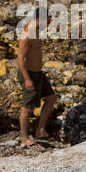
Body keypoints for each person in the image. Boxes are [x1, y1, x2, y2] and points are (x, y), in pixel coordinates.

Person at [17, 14, 58, 147]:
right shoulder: (27, 35)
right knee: (27, 107)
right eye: (48, 21)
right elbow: (20, 59)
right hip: (29, 74)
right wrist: (27, 79)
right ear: (39, 19)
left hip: (38, 73)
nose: (49, 24)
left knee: (51, 97)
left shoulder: (38, 31)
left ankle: (40, 130)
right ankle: (24, 138)